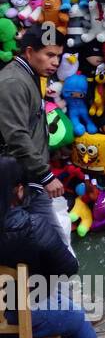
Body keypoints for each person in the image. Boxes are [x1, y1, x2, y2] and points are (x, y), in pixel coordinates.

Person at [0, 156, 105, 338]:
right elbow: (68, 267)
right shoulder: (32, 225)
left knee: (14, 304)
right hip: (26, 312)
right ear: (19, 190)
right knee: (77, 316)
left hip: (7, 310)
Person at [0, 26, 67, 253]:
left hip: (29, 181)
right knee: (57, 252)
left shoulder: (29, 77)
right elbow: (16, 136)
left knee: (46, 252)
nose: (56, 62)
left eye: (58, 55)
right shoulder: (14, 82)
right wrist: (45, 175)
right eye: (49, 55)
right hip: (20, 183)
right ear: (29, 52)